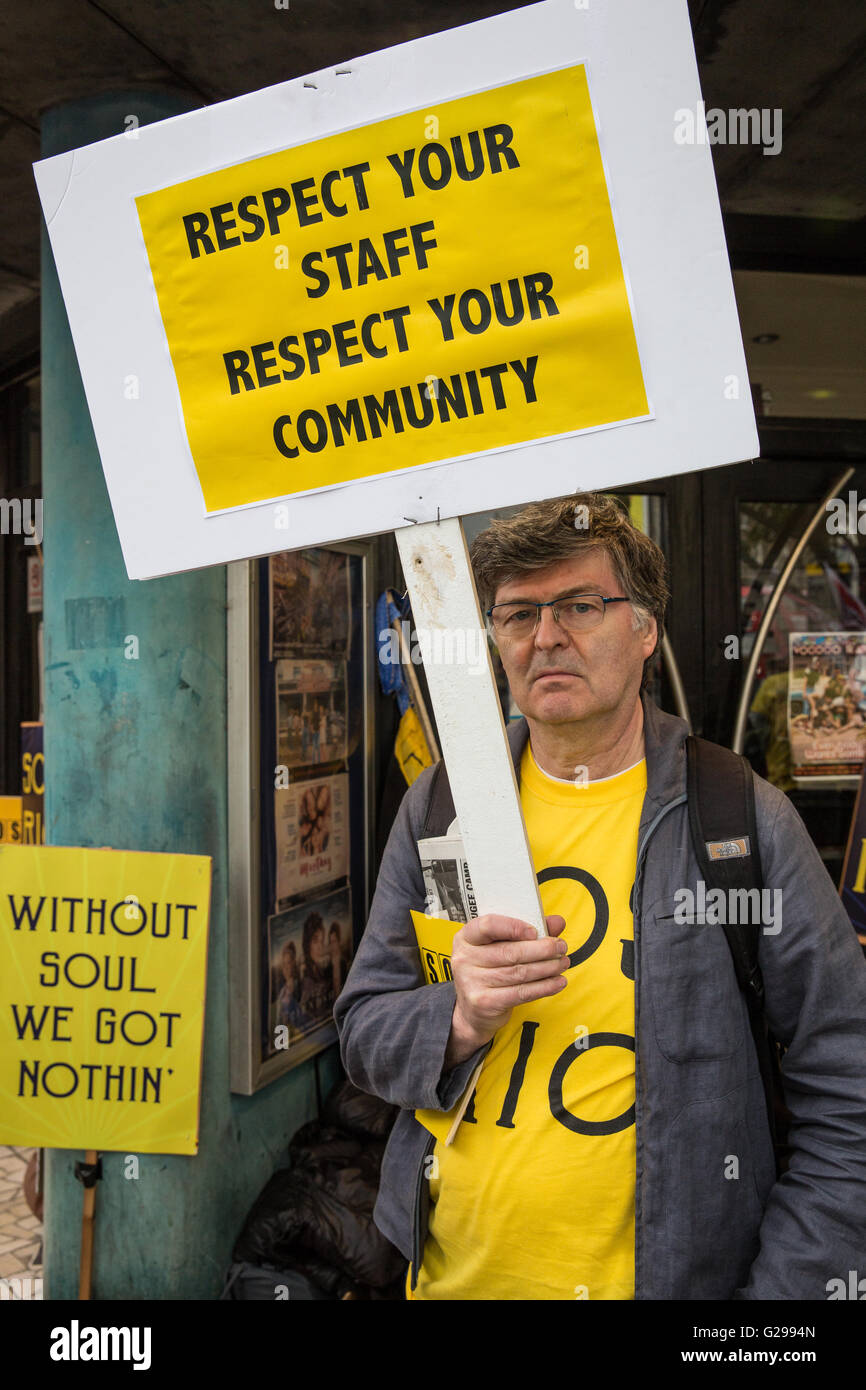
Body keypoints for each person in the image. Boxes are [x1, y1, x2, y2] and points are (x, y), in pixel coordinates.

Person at [334, 492, 866, 1301]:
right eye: (516, 615)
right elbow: (364, 1028)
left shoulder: (740, 818)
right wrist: (457, 1018)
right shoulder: (444, 805)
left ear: (645, 629)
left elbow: (849, 1092)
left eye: (580, 605)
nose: (546, 636)